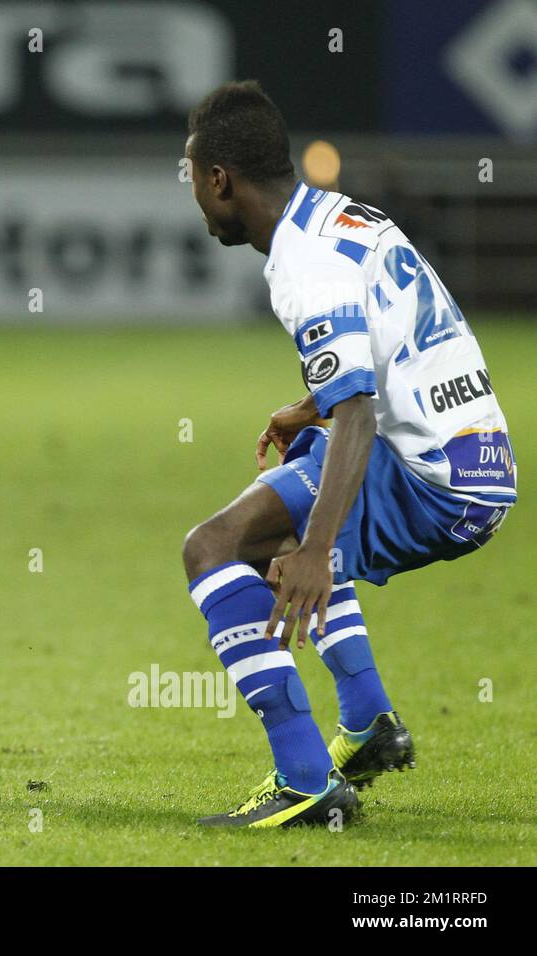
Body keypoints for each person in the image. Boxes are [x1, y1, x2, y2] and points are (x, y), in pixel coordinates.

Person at [181, 80, 516, 828]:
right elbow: (398, 346)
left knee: (215, 548)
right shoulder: (346, 216)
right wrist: (310, 409)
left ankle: (304, 782)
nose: (193, 196)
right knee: (300, 482)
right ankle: (369, 729)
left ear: (218, 180)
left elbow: (359, 416)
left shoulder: (302, 265)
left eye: (190, 176)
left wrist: (318, 547)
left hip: (433, 483)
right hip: (479, 461)